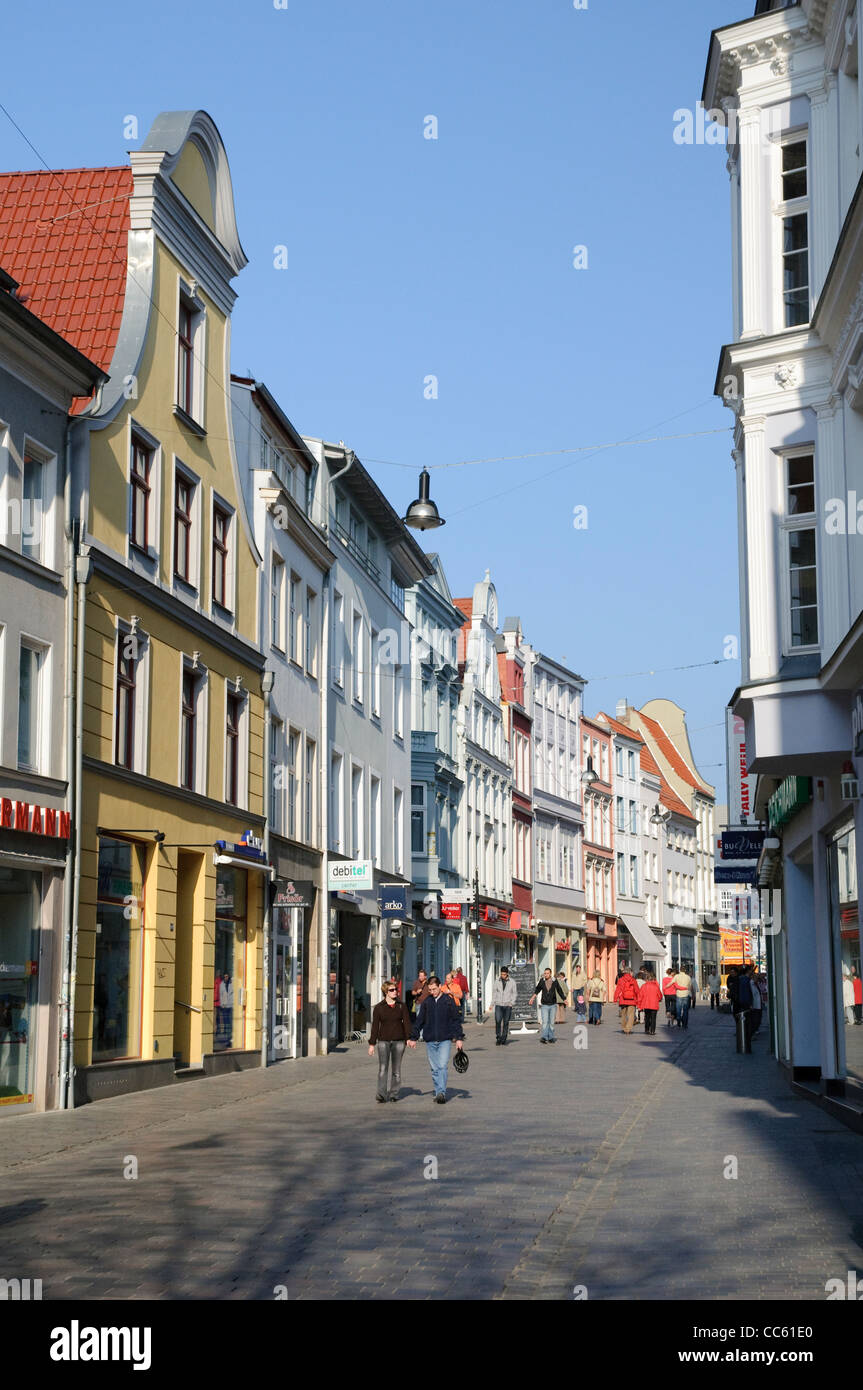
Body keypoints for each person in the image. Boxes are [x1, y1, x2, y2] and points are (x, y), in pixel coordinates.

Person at [411, 976, 464, 1102]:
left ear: (440, 987)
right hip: (430, 1040)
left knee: (442, 1066)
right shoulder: (427, 1002)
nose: (432, 992)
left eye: (434, 989)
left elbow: (455, 1021)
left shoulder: (448, 1001)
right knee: (434, 1069)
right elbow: (419, 1021)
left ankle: (441, 1093)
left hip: (445, 1039)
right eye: (430, 990)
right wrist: (413, 1037)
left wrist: (458, 1038)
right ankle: (438, 1090)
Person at [368, 980, 414, 1102]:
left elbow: (407, 1023)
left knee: (396, 1070)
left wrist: (409, 1038)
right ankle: (382, 1095)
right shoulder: (378, 1008)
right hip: (383, 1042)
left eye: (396, 990)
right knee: (383, 1069)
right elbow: (375, 1027)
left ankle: (394, 1094)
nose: (395, 992)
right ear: (385, 992)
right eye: (392, 990)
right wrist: (372, 1044)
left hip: (399, 1041)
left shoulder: (401, 1005)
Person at [533, 968, 567, 1042]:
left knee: (551, 1022)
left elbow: (559, 990)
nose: (546, 975)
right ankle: (544, 1037)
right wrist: (532, 998)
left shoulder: (554, 981)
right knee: (545, 1022)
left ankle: (551, 1037)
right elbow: (537, 989)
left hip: (553, 1005)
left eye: (547, 973)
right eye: (545, 973)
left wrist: (564, 999)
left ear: (550, 974)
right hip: (544, 1005)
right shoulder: (542, 981)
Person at [492, 966, 517, 1044]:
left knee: (506, 1022)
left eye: (504, 974)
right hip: (499, 1004)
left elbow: (514, 993)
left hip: (507, 1005)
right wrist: (492, 1003)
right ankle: (498, 1037)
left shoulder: (512, 982)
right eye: (502, 974)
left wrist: (511, 1003)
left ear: (507, 974)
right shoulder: (497, 981)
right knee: (498, 1021)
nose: (503, 976)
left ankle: (504, 1038)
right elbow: (494, 993)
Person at [613, 966, 640, 1035]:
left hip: (623, 1000)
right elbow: (637, 990)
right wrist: (639, 999)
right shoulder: (633, 980)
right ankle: (628, 1029)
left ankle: (624, 1028)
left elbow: (618, 990)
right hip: (632, 1000)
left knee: (623, 1015)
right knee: (631, 1015)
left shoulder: (621, 980)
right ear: (630, 972)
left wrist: (615, 998)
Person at [638, 970, 662, 1036]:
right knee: (653, 1018)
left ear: (646, 979)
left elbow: (640, 996)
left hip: (646, 1004)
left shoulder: (644, 986)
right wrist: (659, 999)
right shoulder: (656, 986)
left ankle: (647, 1029)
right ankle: (652, 1031)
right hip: (654, 1005)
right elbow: (660, 996)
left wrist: (639, 1005)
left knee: (647, 1017)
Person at [747, 968, 763, 1036]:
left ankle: (756, 1029)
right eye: (755, 977)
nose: (757, 979)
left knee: (758, 1018)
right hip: (755, 1005)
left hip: (759, 1004)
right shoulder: (751, 983)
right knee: (755, 1019)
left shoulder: (756, 984)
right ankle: (754, 1030)